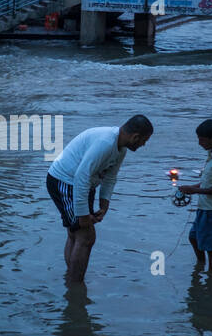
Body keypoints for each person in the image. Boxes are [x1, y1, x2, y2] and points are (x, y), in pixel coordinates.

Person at [46, 115, 153, 286]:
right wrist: (82, 215)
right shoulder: (105, 143)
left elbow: (110, 177)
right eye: (144, 141)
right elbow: (81, 176)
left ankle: (71, 279)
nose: (143, 145)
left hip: (83, 184)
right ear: (135, 137)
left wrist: (104, 204)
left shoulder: (121, 148)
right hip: (65, 181)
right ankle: (76, 288)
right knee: (86, 236)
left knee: (76, 234)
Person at [175, 119, 212, 272]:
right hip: (204, 206)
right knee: (193, 238)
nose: (200, 143)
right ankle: (200, 266)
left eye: (202, 140)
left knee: (211, 248)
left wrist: (194, 191)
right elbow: (208, 182)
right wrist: (191, 187)